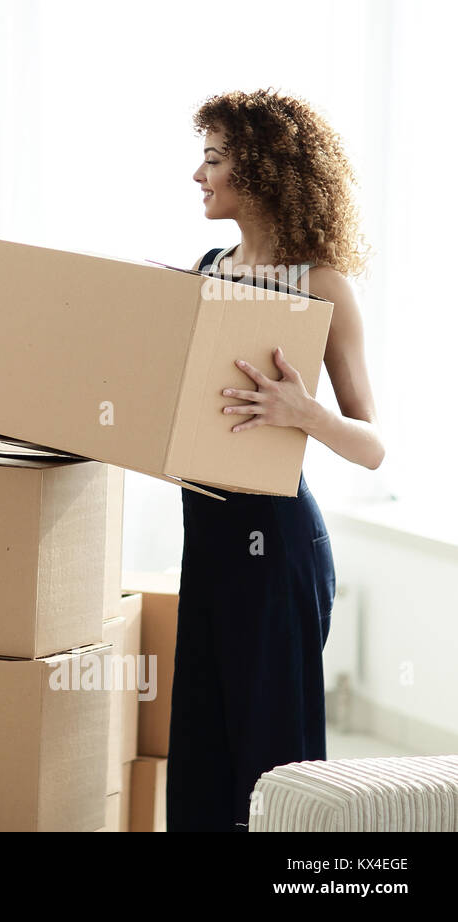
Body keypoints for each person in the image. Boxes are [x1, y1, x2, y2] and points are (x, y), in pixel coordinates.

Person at [168, 89, 386, 831]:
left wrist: (303, 413)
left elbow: (372, 445)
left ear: (259, 170)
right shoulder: (204, 269)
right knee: (201, 750)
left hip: (277, 546)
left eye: (214, 159)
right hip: (209, 540)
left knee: (273, 766)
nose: (200, 175)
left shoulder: (321, 284)